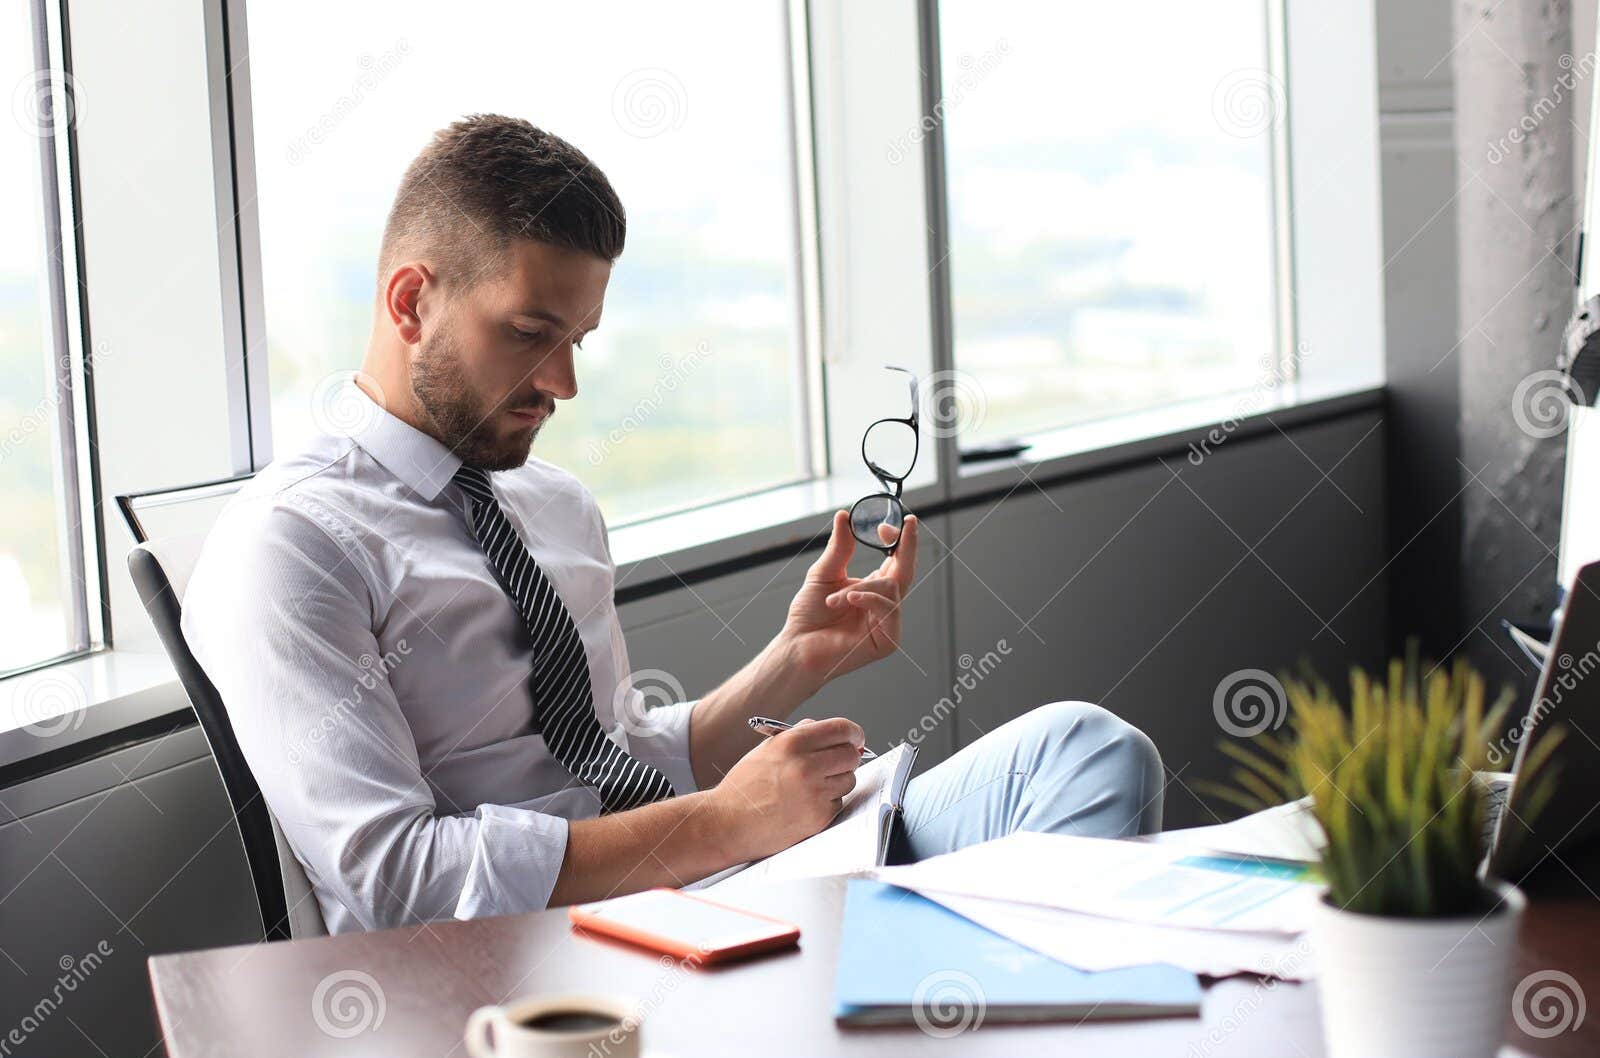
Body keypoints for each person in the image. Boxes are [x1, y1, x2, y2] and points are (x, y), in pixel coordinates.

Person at [183, 114, 1164, 934]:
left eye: (577, 342)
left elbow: (608, 755)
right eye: (529, 334)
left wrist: (793, 662)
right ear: (410, 302)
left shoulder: (551, 502)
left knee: (1087, 750)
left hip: (707, 880)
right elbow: (395, 881)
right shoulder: (293, 545)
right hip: (562, 952)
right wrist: (724, 825)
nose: (562, 385)